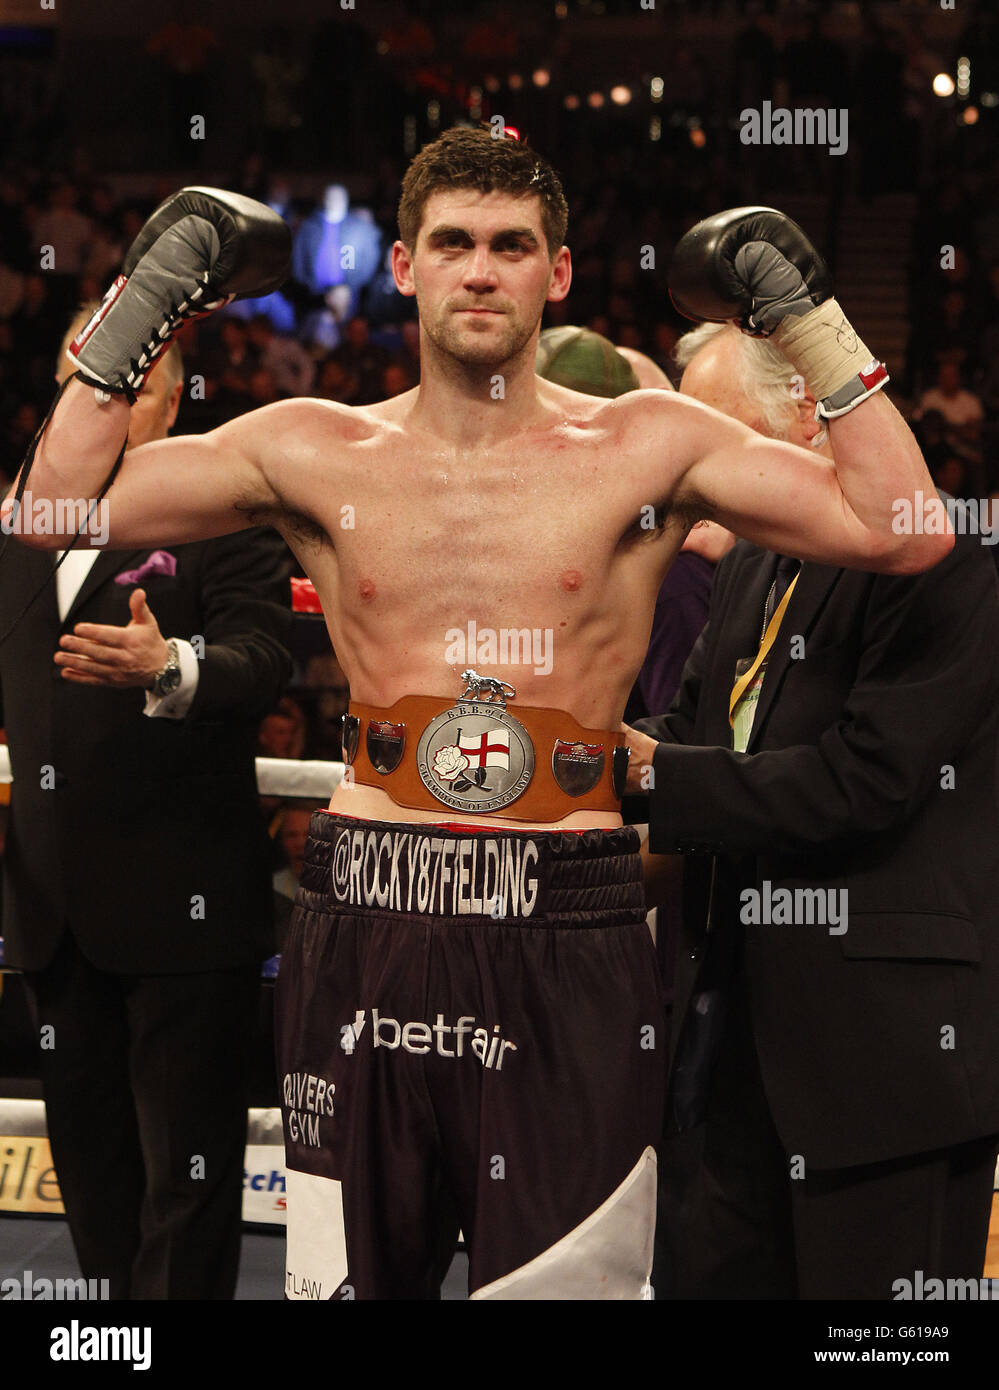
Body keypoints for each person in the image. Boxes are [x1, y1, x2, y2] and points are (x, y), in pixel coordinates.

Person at [5, 130, 951, 1301]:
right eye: (453, 243)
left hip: (571, 916)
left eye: (513, 246)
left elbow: (906, 525)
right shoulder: (309, 444)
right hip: (366, 908)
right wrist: (143, 298)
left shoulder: (650, 445)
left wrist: (807, 316)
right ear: (403, 265)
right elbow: (49, 513)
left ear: (558, 274)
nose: (481, 270)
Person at [623, 321, 999, 1300]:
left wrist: (657, 772)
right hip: (743, 1042)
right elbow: (691, 724)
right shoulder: (755, 561)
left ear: (808, 412)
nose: (695, 470)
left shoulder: (935, 552)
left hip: (884, 1066)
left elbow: (866, 779)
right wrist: (561, 754)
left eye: (715, 433)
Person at [0, 312, 294, 1299]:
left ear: (169, 402)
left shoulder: (223, 516)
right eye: (83, 382)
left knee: (187, 1177)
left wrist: (170, 663)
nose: (102, 402)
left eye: (125, 386)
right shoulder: (22, 524)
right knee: (92, 1173)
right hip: (52, 913)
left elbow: (266, 659)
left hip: (183, 906)